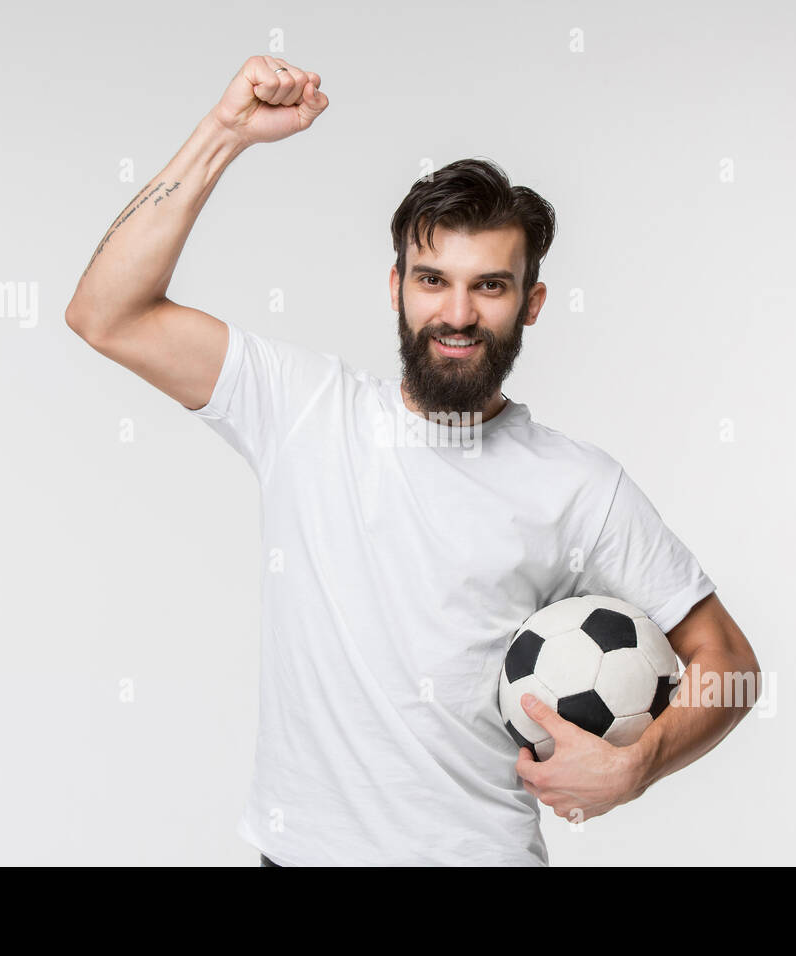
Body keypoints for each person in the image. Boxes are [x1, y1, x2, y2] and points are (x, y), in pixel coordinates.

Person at [66, 54, 760, 866]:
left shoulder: (579, 486)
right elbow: (104, 312)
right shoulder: (303, 409)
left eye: (490, 287)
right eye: (433, 279)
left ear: (531, 302)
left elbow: (731, 664)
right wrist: (225, 132)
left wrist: (637, 764)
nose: (457, 314)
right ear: (396, 284)